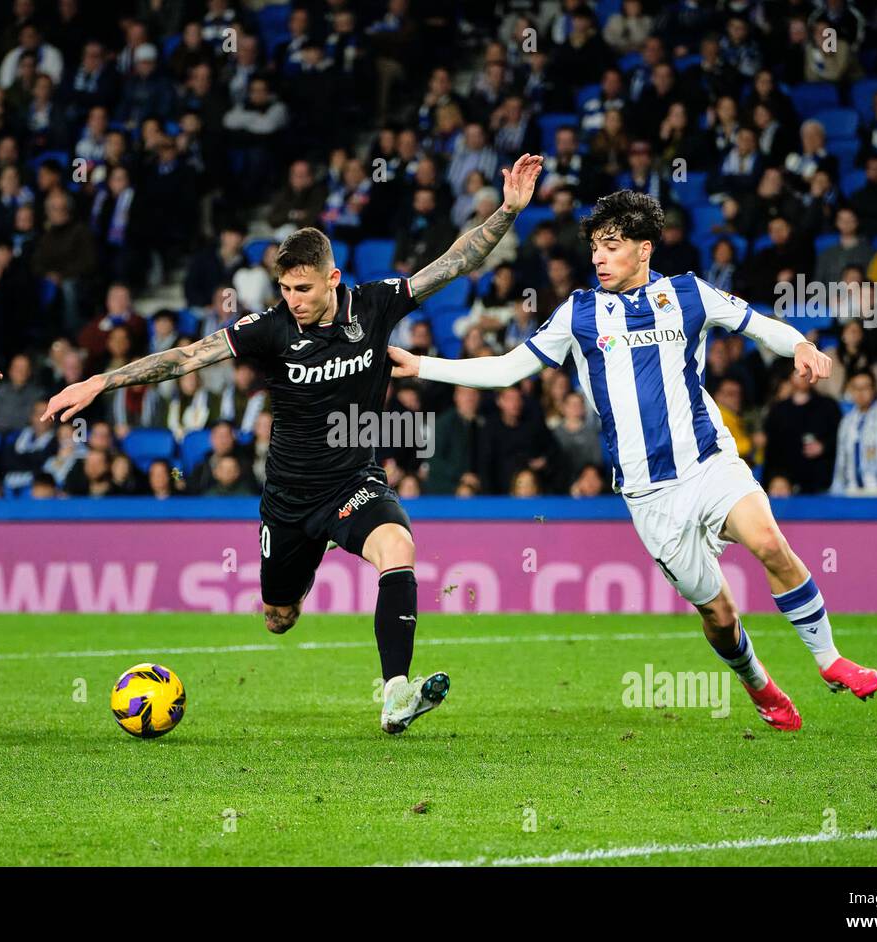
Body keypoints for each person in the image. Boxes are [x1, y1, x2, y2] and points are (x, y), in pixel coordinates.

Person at [46, 154, 544, 734]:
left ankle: (395, 693)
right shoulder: (269, 327)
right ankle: (300, 577)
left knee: (398, 548)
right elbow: (186, 357)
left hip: (354, 482)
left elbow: (455, 263)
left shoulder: (377, 303)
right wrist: (100, 381)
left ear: (333, 278)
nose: (293, 299)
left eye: (303, 288)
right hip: (287, 498)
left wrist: (508, 210)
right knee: (279, 618)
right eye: (284, 288)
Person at [388, 190, 877, 732]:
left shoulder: (689, 294)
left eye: (612, 246)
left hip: (708, 462)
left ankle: (829, 658)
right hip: (650, 495)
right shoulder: (578, 313)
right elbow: (508, 370)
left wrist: (801, 347)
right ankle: (759, 685)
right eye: (595, 248)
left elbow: (758, 324)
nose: (599, 258)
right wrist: (423, 365)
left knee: (769, 542)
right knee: (718, 615)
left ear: (644, 249)